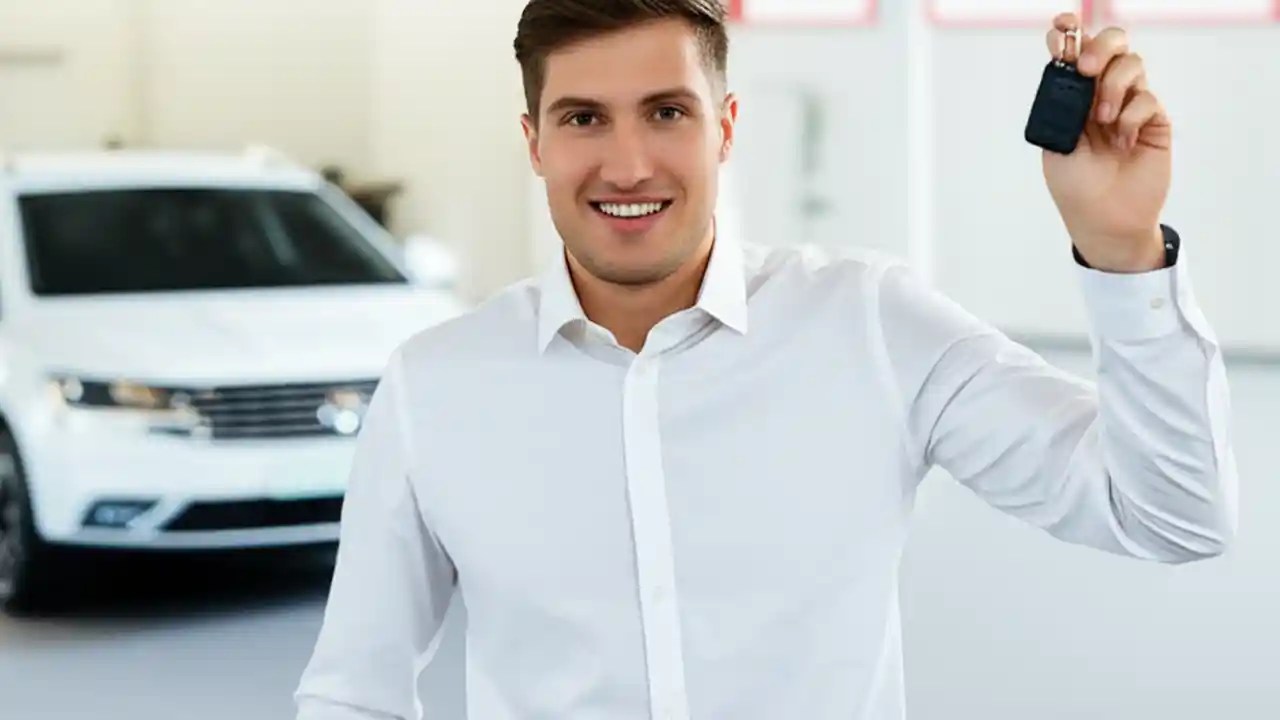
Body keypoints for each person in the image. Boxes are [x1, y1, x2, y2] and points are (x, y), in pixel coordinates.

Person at [293, 1, 1238, 718]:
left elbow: (1170, 517)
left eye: (666, 112)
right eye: (584, 119)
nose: (627, 166)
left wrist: (1123, 249)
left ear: (727, 127)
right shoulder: (435, 386)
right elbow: (353, 692)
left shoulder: (870, 324)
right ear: (533, 140)